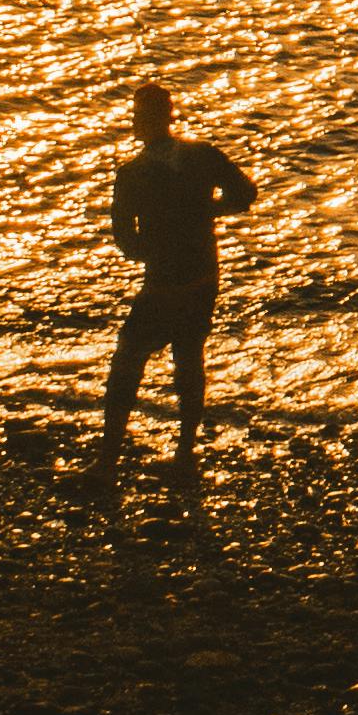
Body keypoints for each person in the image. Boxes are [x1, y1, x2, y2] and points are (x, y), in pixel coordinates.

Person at [93, 81, 259, 496]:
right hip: (204, 276)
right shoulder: (202, 155)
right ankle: (184, 455)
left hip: (164, 281)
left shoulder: (133, 173)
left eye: (137, 115)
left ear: (138, 121)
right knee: (189, 358)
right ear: (171, 115)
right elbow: (245, 194)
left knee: (127, 361)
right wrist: (205, 214)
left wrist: (153, 247)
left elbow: (124, 239)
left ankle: (107, 461)